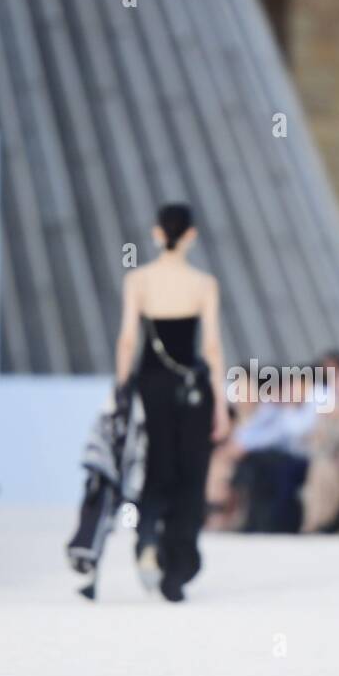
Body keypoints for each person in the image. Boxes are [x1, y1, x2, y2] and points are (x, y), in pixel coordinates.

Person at [113, 203, 229, 602]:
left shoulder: (138, 280)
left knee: (158, 464)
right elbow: (211, 345)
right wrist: (219, 404)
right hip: (193, 387)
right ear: (191, 235)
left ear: (157, 234)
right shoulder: (203, 283)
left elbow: (128, 339)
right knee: (191, 472)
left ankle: (147, 541)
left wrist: (120, 387)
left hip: (152, 381)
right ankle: (178, 567)